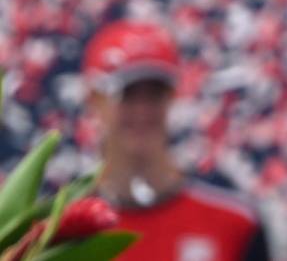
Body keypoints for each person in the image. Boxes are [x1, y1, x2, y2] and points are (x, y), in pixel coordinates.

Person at [82, 20, 272, 261]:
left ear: (173, 97)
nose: (142, 111)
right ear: (93, 99)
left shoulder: (236, 225)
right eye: (127, 94)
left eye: (155, 94)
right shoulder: (57, 233)